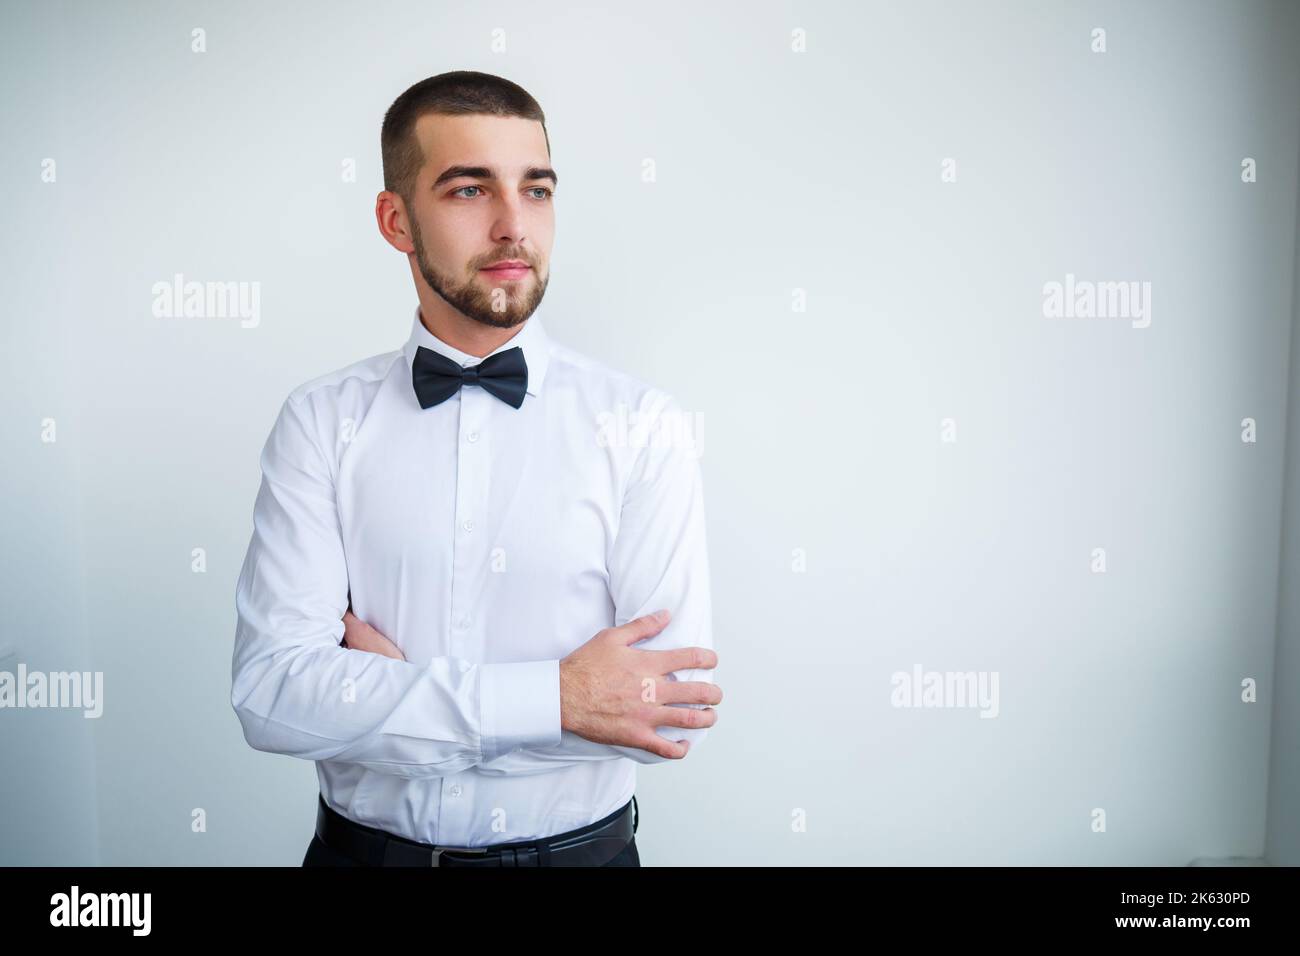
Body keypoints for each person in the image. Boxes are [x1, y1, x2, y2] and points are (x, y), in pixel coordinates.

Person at [230, 70, 721, 867]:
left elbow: (662, 715)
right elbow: (273, 698)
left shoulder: (643, 426)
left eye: (536, 191)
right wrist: (561, 699)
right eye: (467, 190)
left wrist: (389, 703)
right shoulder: (320, 422)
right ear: (396, 220)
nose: (512, 226)